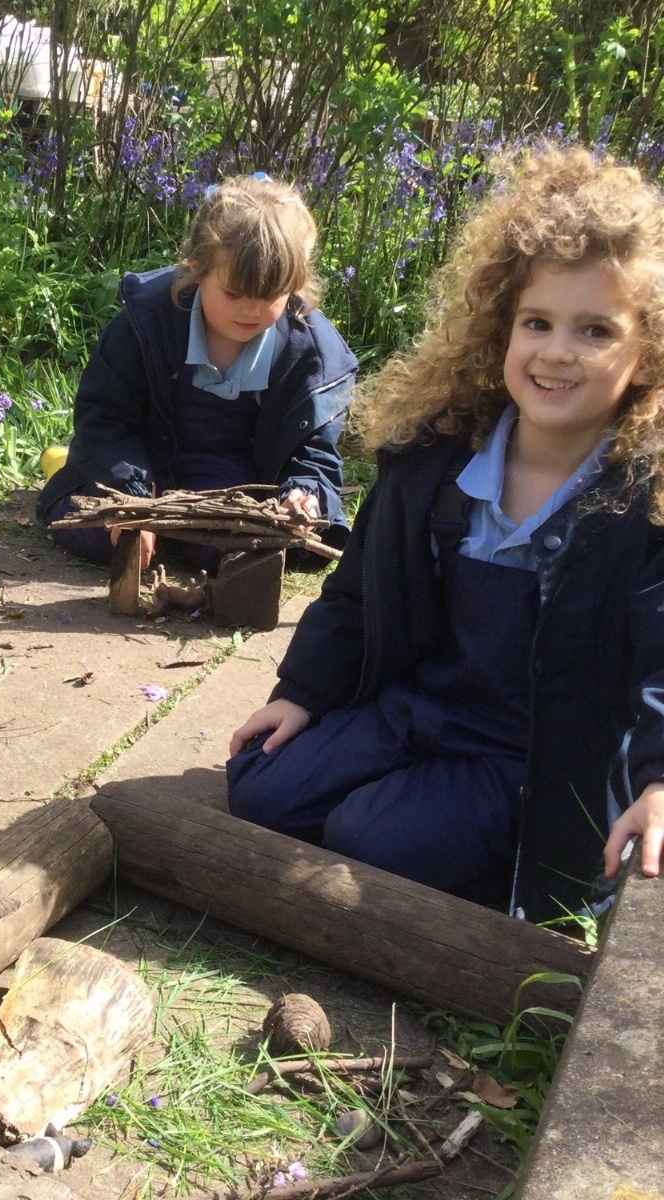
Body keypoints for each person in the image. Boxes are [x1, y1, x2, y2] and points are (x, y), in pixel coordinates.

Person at [226, 145, 664, 924]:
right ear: (502, 329)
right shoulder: (434, 460)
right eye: (538, 323)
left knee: (370, 838)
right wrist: (304, 692)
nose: (557, 352)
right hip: (418, 709)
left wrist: (658, 782)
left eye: (596, 331)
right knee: (260, 786)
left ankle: (504, 856)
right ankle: (409, 806)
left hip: (525, 754)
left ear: (647, 353)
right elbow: (356, 592)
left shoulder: (642, 504)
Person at [37, 173, 357, 574]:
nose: (251, 310)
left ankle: (183, 533)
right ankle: (63, 464)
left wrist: (304, 493)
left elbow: (314, 452)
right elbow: (105, 417)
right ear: (196, 267)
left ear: (295, 286)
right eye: (233, 293)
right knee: (95, 535)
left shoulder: (314, 356)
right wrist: (130, 498)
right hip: (141, 456)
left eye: (270, 296)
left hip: (230, 476)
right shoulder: (144, 323)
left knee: (228, 548)